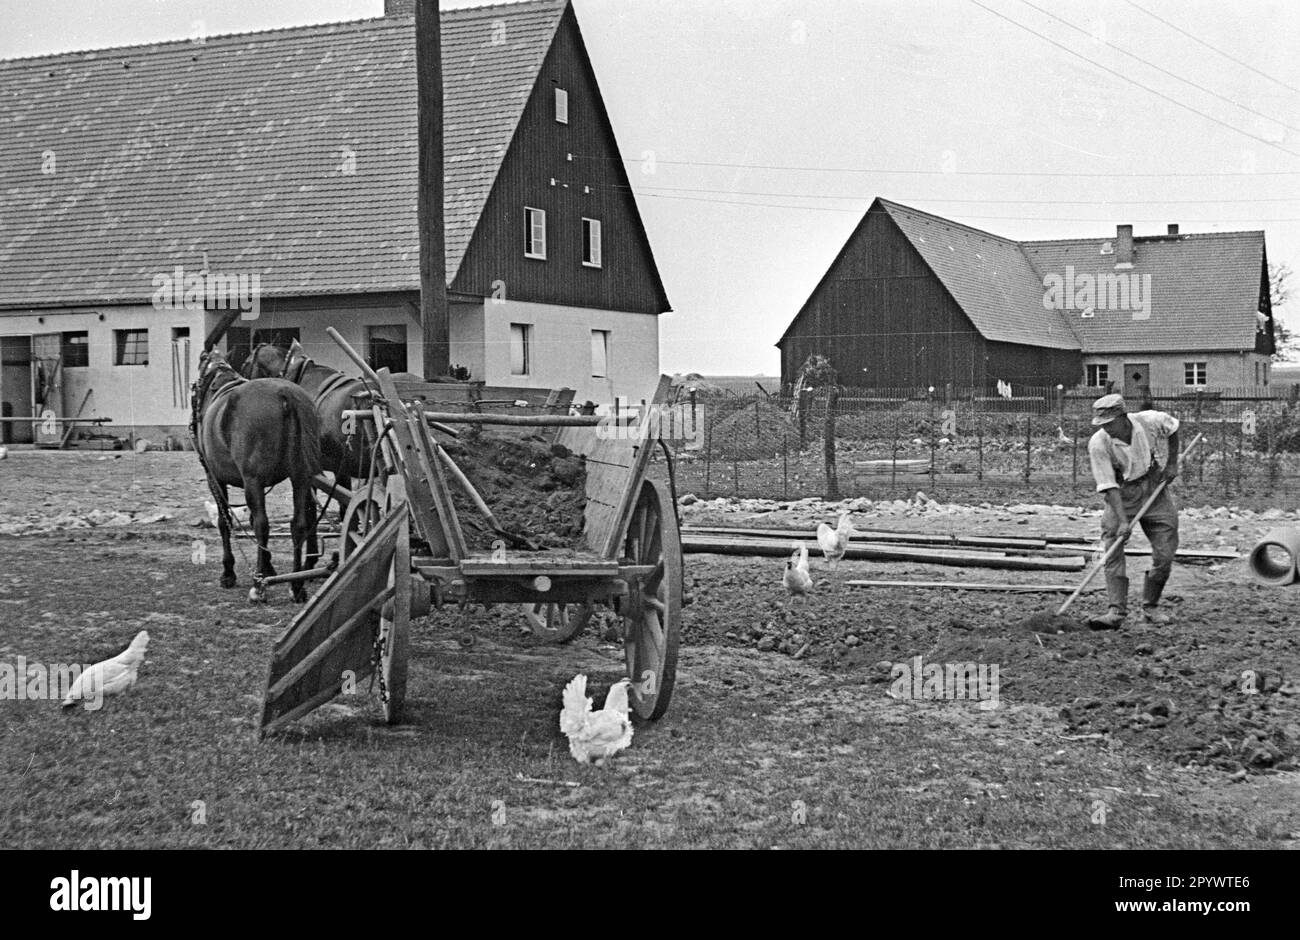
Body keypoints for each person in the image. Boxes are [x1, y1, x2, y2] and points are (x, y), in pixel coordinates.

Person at [1086, 393, 1181, 628]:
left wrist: (1171, 464)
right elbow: (1108, 485)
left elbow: (1173, 428)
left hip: (1153, 486)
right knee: (1113, 546)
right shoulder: (1099, 443)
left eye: (1110, 423)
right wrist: (1122, 521)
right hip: (1121, 493)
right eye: (1102, 425)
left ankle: (1151, 606)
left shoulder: (1149, 421)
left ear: (1123, 417)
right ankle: (1116, 611)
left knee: (1165, 552)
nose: (1106, 429)